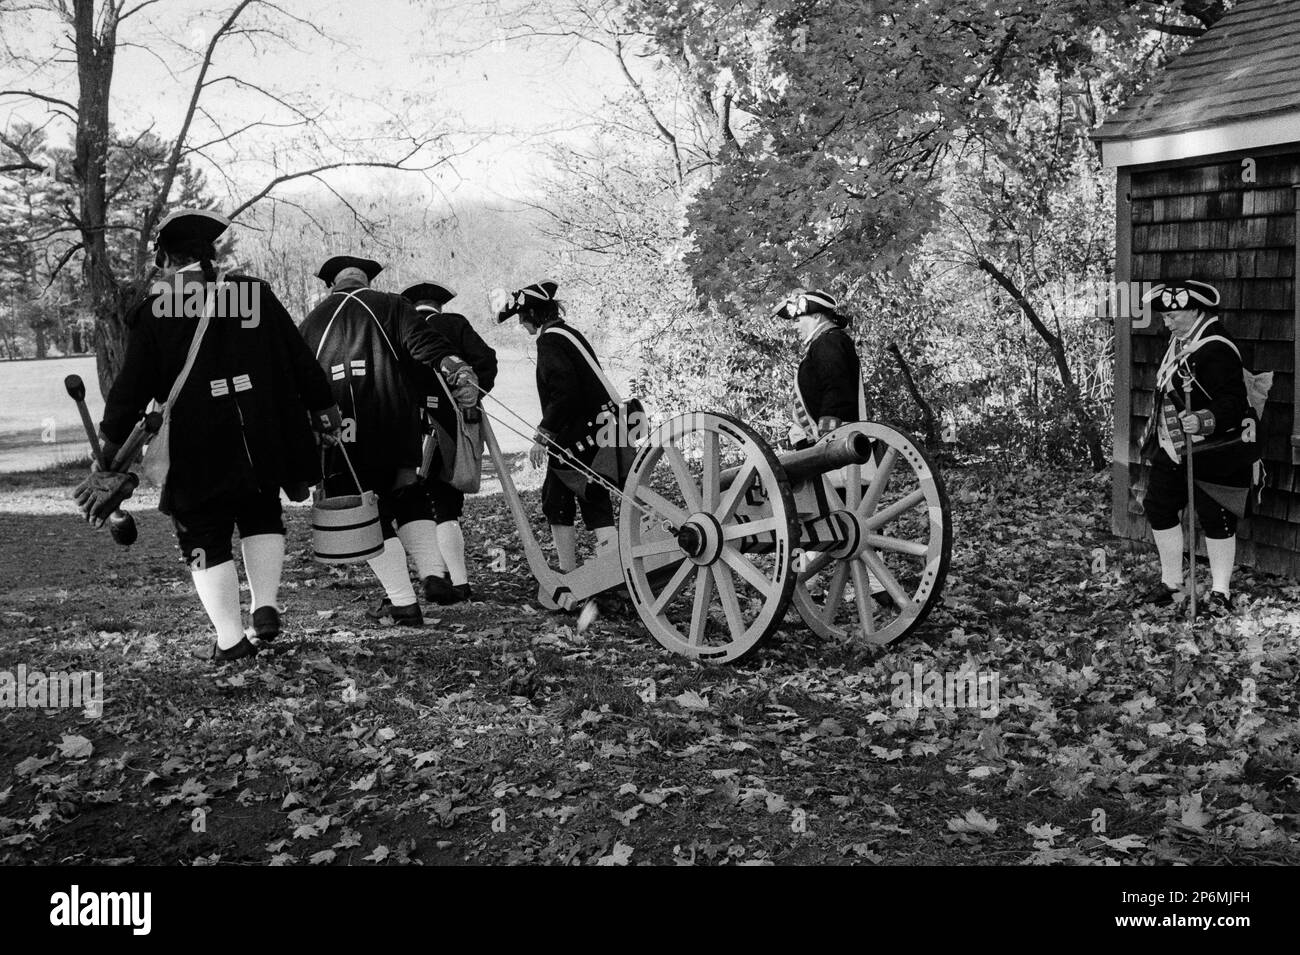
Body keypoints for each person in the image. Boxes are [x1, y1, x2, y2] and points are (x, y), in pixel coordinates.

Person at [78, 209, 341, 662]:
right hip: (261, 433)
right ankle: (265, 607)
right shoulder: (253, 293)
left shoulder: (158, 305)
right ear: (211, 252)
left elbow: (131, 386)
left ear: (164, 257)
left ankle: (231, 640)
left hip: (197, 442)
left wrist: (110, 443)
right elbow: (299, 357)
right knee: (261, 514)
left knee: (202, 534)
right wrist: (324, 407)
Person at [299, 256, 479, 625]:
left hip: (340, 434)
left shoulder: (312, 321)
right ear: (365, 280)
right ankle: (433, 573)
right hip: (394, 422)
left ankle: (404, 602)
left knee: (369, 516)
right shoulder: (393, 305)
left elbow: (296, 384)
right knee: (407, 493)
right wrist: (456, 368)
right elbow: (426, 345)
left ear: (333, 285)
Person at [1137, 280, 1259, 614]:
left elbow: (1234, 402)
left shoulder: (1216, 346)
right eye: (1165, 316)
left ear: (1195, 310)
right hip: (1174, 446)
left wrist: (1204, 418)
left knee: (1216, 516)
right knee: (1159, 505)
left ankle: (1220, 592)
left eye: (1174, 315)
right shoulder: (1181, 340)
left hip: (1216, 449)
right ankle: (1171, 583)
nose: (1167, 322)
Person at [493, 279, 617, 575]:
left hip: (577, 435)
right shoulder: (569, 333)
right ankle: (614, 567)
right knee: (594, 495)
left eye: (523, 318)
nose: (522, 324)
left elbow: (565, 393)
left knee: (556, 499)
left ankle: (568, 573)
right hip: (599, 429)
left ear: (534, 314)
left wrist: (543, 435)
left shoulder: (550, 340)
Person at [400, 280, 498, 604]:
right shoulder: (455, 324)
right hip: (456, 426)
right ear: (439, 305)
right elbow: (486, 362)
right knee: (448, 505)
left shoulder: (404, 330)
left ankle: (442, 579)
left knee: (421, 504)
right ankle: (459, 581)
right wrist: (466, 395)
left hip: (417, 428)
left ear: (413, 307)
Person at [774, 288, 862, 446]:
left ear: (816, 316)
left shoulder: (829, 341)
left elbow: (837, 387)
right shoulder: (825, 341)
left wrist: (828, 432)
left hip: (833, 441)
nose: (794, 326)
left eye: (798, 320)